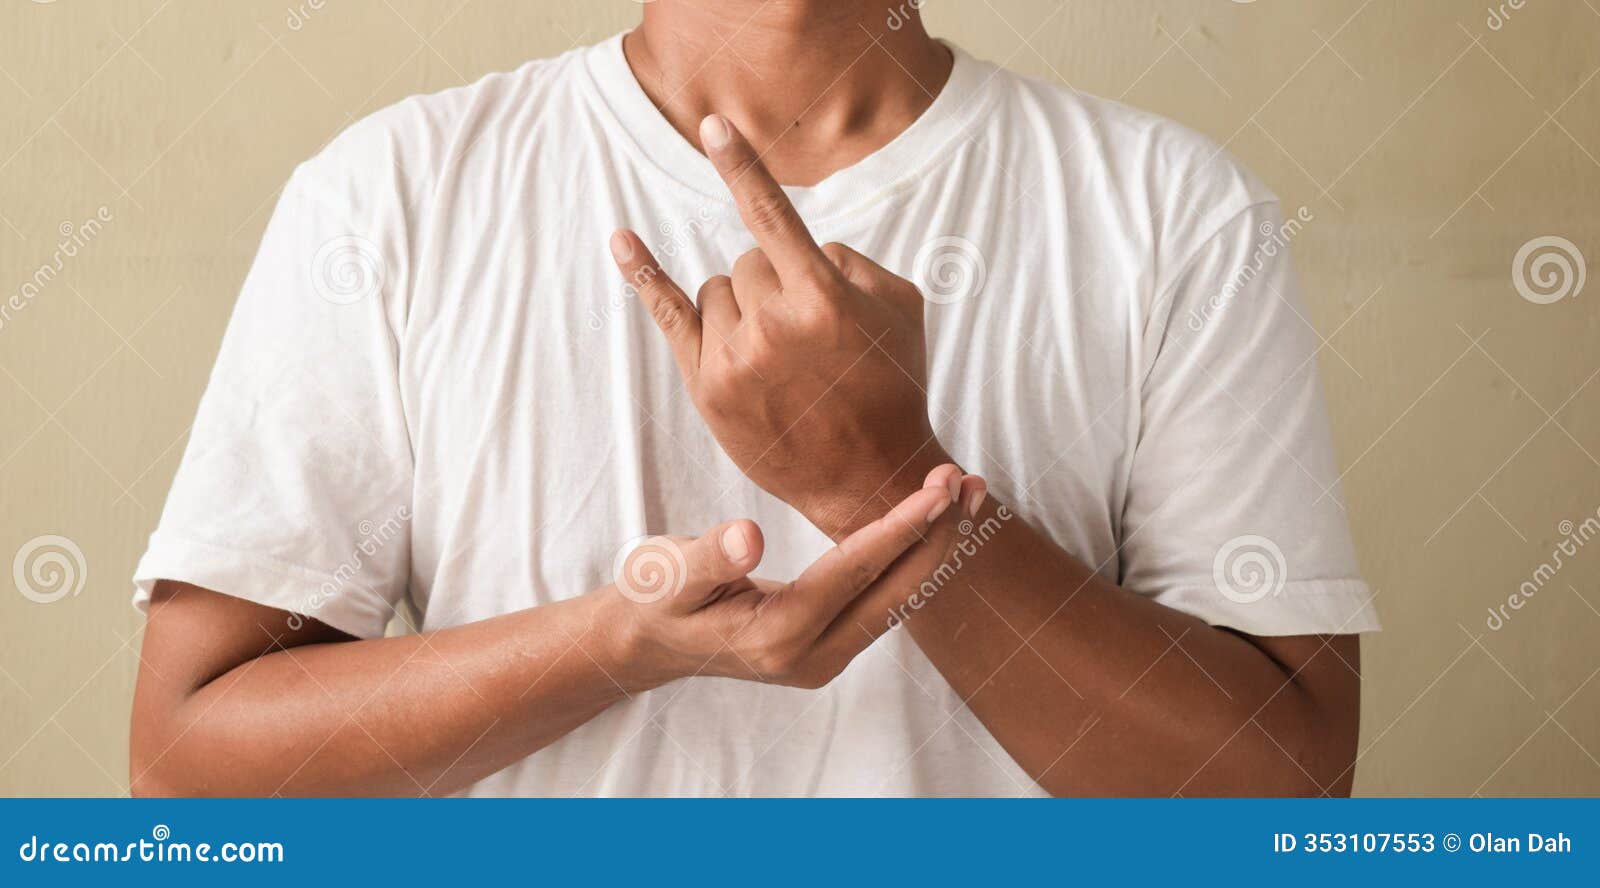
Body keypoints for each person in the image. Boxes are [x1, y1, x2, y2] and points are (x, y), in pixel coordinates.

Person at [128, 0, 1378, 797]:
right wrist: (620, 644)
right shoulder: (390, 194)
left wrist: (883, 482)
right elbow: (188, 766)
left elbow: (1280, 790)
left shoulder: (1174, 213)